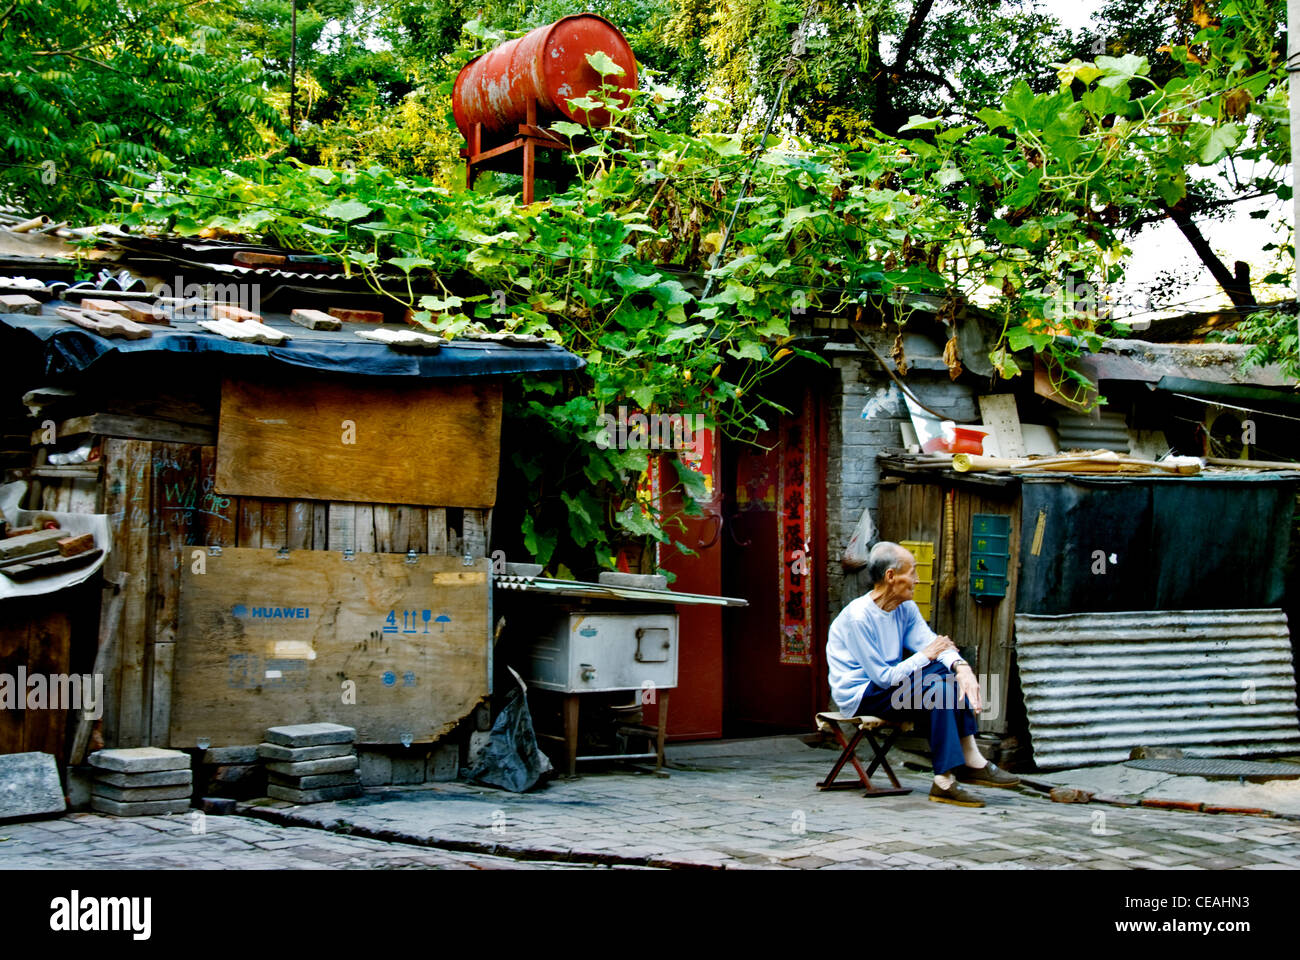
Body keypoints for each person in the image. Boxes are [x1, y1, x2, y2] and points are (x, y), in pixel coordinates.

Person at [826, 541, 1019, 806]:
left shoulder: (905, 607)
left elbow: (933, 644)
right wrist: (926, 656)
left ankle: (965, 765)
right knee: (938, 688)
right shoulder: (858, 618)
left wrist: (962, 668)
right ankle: (948, 778)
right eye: (913, 572)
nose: (917, 579)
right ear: (891, 576)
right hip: (862, 694)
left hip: (893, 687)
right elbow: (883, 677)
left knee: (947, 675)